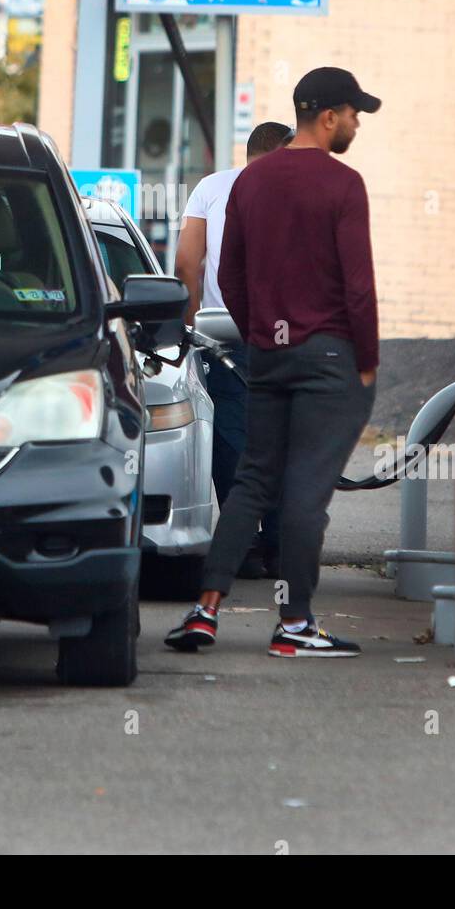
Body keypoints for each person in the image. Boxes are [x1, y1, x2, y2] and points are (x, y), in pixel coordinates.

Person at [165, 67, 380, 658]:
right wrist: (366, 361)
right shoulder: (344, 185)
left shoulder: (249, 184)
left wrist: (260, 331)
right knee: (307, 493)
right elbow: (358, 287)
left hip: (267, 354)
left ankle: (205, 610)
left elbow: (225, 271)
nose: (357, 125)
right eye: (354, 114)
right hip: (330, 356)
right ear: (329, 117)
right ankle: (295, 625)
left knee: (252, 483)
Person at [175, 121, 292, 578]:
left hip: (224, 338)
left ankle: (242, 545)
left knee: (231, 437)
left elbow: (187, 262)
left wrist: (190, 327)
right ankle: (281, 548)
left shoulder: (211, 187)